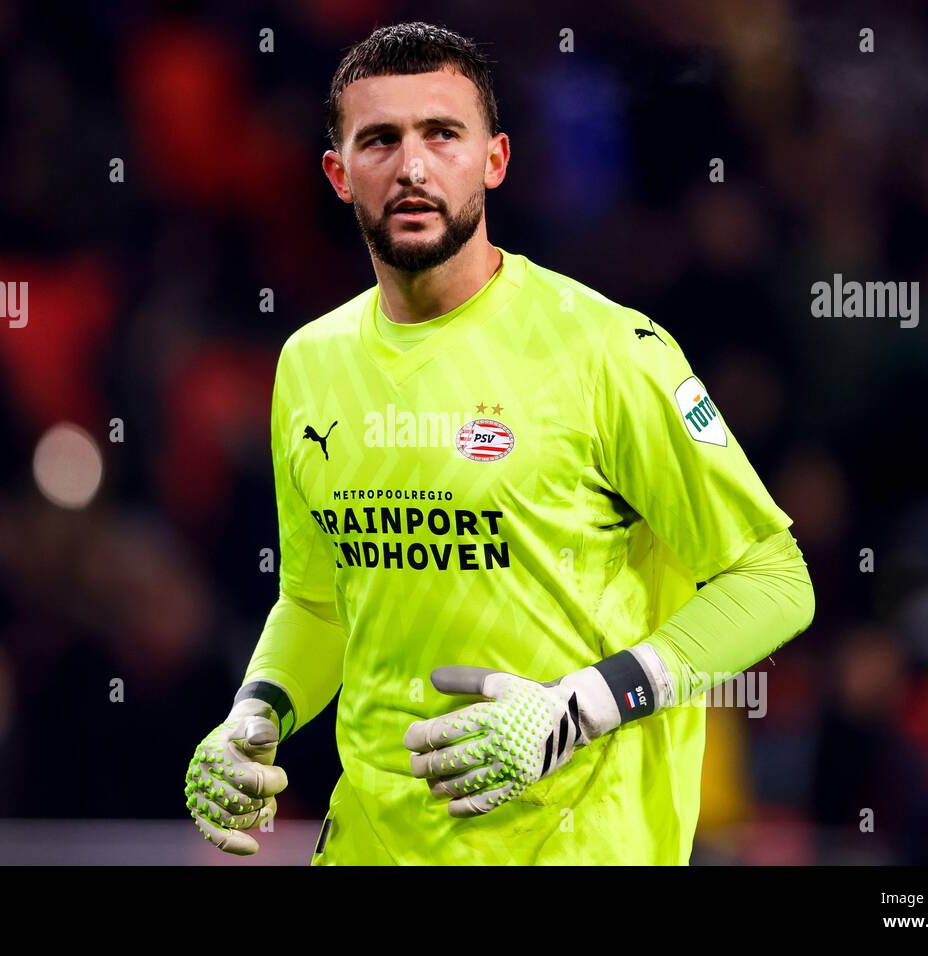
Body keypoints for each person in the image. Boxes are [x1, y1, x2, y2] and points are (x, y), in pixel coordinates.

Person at [184, 21, 815, 865]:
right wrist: (257, 709)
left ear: (495, 160)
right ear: (338, 174)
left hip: (572, 845)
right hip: (372, 844)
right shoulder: (309, 362)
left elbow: (774, 581)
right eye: (380, 140)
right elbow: (317, 600)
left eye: (442, 134)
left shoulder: (606, 352)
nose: (412, 167)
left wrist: (582, 705)